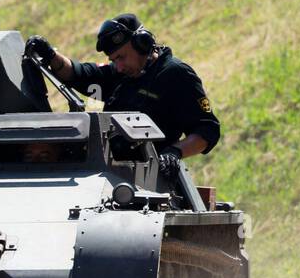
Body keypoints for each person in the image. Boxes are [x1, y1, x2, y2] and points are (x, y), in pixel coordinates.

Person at [25, 14, 220, 166]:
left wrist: (173, 153)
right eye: (114, 60)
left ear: (142, 44)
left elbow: (207, 130)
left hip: (149, 175)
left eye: (121, 57)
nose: (118, 66)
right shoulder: (119, 75)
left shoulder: (176, 75)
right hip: (106, 170)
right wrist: (50, 55)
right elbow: (78, 75)